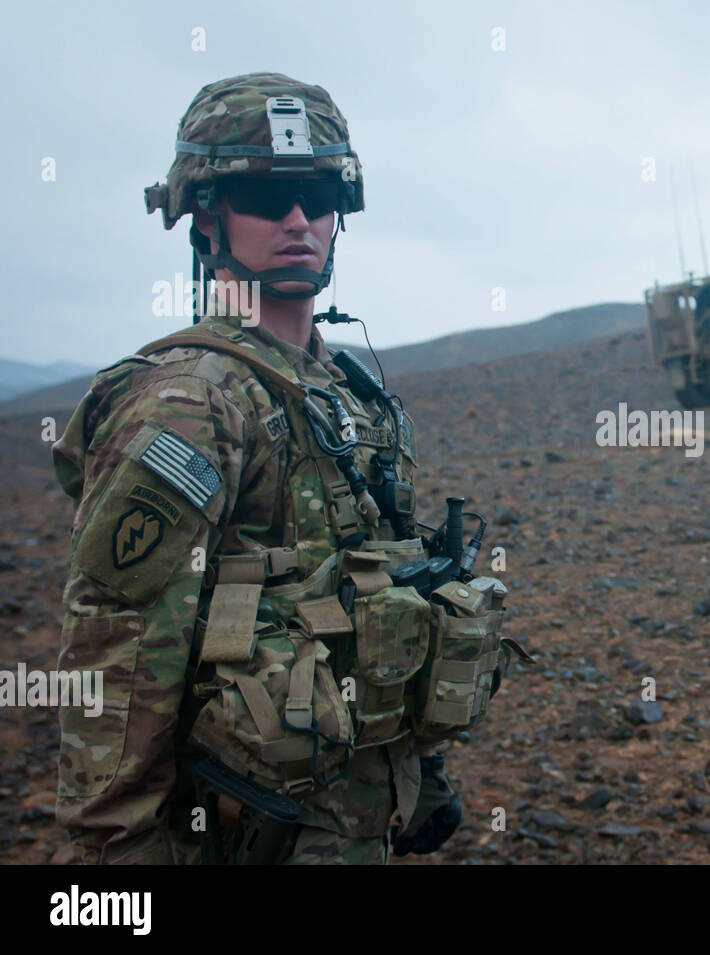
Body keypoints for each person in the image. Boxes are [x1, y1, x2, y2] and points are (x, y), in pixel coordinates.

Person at [52, 72, 504, 865]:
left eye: (319, 192)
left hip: (353, 817)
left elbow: (383, 595)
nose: (299, 219)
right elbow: (119, 651)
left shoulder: (348, 393)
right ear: (204, 216)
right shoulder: (189, 403)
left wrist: (420, 769)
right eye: (266, 197)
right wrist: (112, 866)